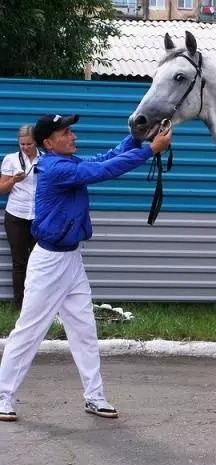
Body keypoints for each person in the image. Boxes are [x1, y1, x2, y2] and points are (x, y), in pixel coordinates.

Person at [0, 114, 172, 422]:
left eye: (71, 131)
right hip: (49, 263)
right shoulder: (56, 169)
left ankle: (94, 397)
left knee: (84, 331)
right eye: (66, 132)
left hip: (71, 260)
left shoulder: (68, 163)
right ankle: (3, 396)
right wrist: (150, 150)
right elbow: (103, 170)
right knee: (29, 331)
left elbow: (105, 158)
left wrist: (135, 140)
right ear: (49, 144)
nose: (73, 136)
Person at [0, 126, 40, 309]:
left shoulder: (46, 159)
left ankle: (39, 304)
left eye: (29, 143)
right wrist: (13, 181)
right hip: (16, 215)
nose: (25, 147)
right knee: (19, 261)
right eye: (22, 144)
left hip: (39, 217)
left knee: (40, 262)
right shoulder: (10, 159)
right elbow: (1, 189)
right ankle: (20, 305)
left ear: (36, 142)